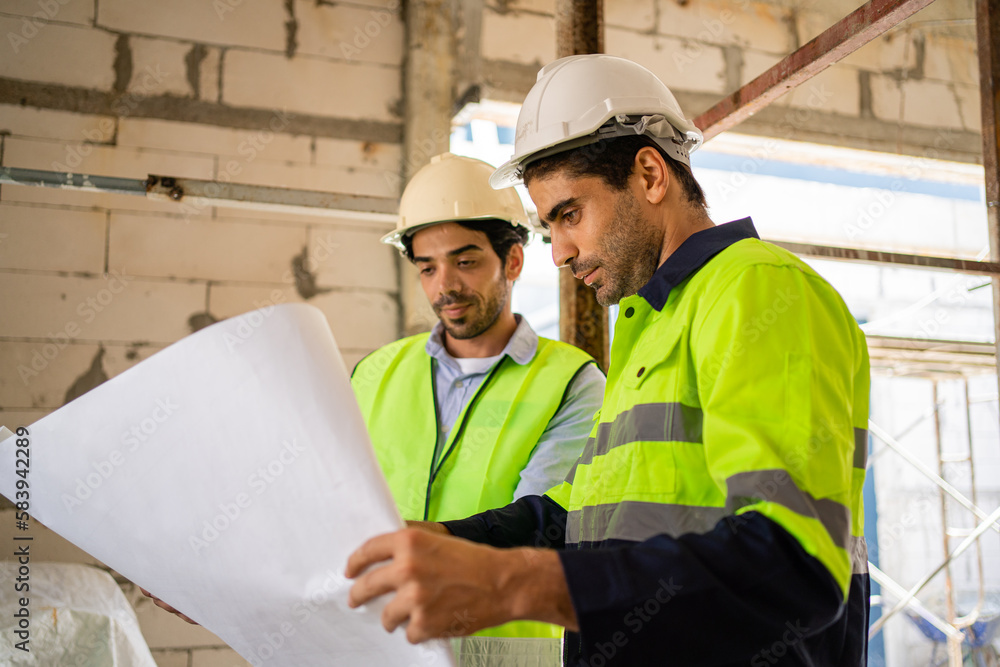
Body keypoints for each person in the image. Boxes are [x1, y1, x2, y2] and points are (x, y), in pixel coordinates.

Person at [346, 55, 871, 667]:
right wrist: (446, 541)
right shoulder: (650, 323)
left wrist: (512, 584)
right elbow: (583, 516)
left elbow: (789, 565)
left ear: (650, 174)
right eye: (548, 228)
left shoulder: (758, 291)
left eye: (570, 214)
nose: (560, 254)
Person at [351, 152, 606, 662]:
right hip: (374, 645)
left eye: (465, 261)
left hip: (501, 652)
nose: (444, 285)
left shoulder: (572, 383)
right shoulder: (374, 373)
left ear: (512, 261)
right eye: (428, 267)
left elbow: (544, 526)